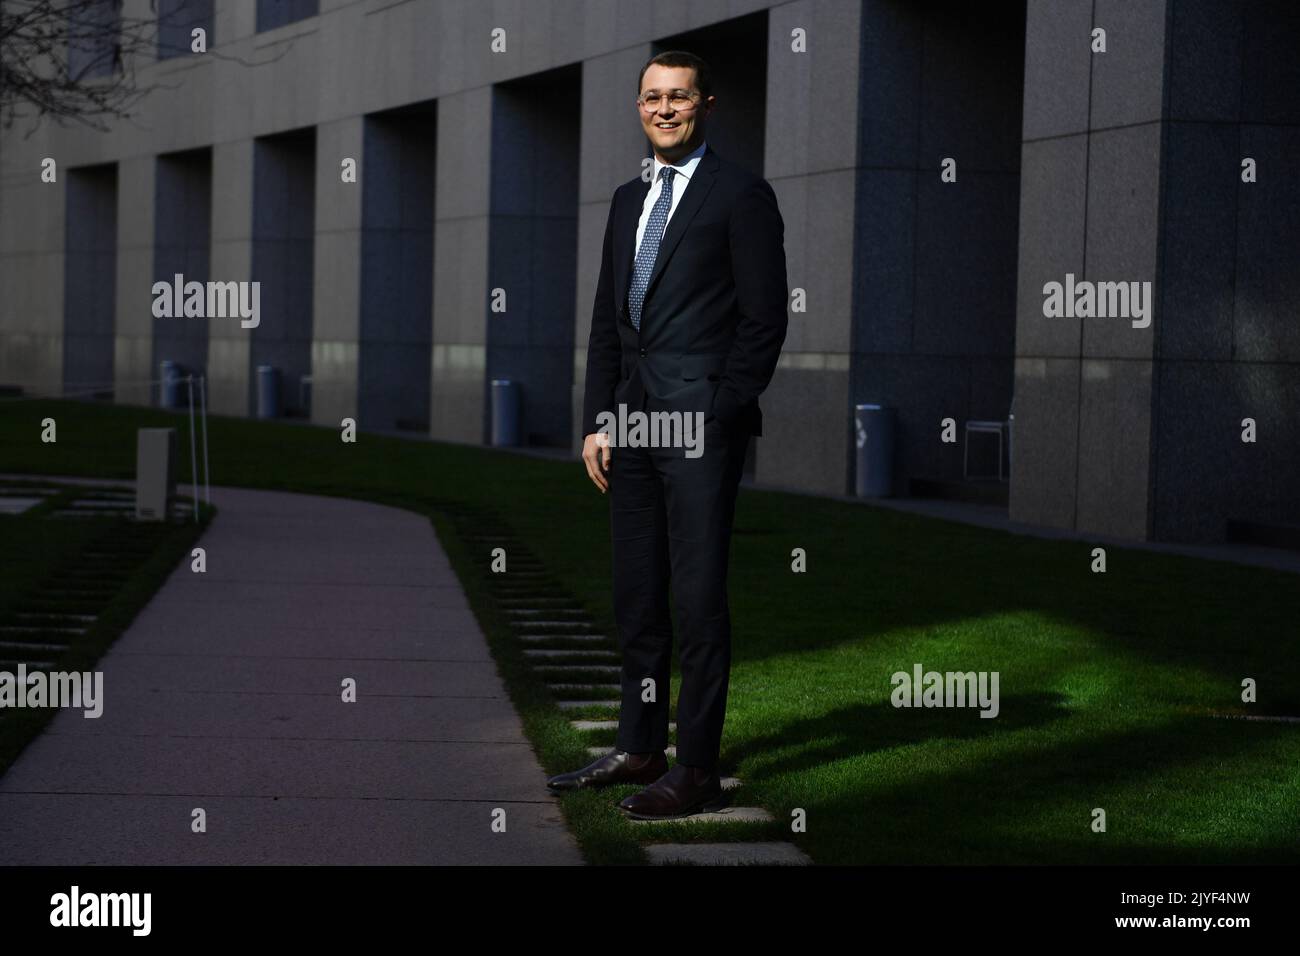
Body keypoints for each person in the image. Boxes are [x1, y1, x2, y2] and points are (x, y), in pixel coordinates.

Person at [546, 50, 788, 819]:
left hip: (699, 429)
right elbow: (607, 326)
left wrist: (720, 411)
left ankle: (698, 768)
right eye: (652, 97)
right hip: (632, 424)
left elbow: (765, 318)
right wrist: (595, 422)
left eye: (678, 97)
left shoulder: (742, 196)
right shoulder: (627, 199)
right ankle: (639, 745)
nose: (663, 109)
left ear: (706, 104)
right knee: (638, 595)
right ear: (639, 106)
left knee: (698, 598)